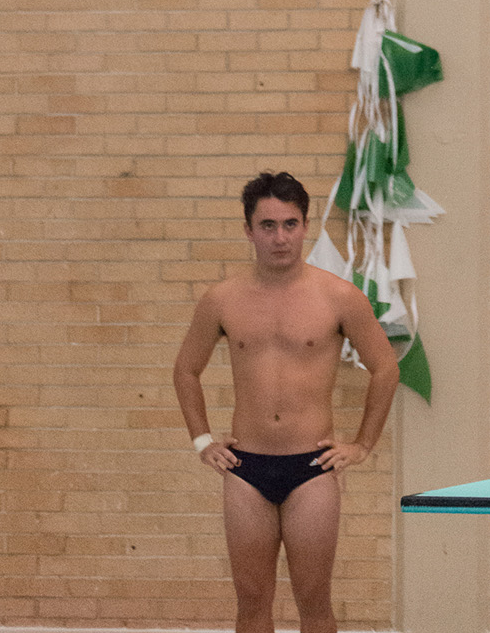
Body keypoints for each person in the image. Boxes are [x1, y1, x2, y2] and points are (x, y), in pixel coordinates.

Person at [172, 171, 399, 633]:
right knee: (252, 602)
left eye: (290, 224)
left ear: (305, 225)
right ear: (248, 230)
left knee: (314, 602)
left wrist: (362, 444)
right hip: (245, 469)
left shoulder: (338, 297)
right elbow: (185, 370)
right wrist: (202, 441)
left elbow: (386, 367)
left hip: (311, 469)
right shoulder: (222, 299)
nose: (280, 237)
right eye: (268, 226)